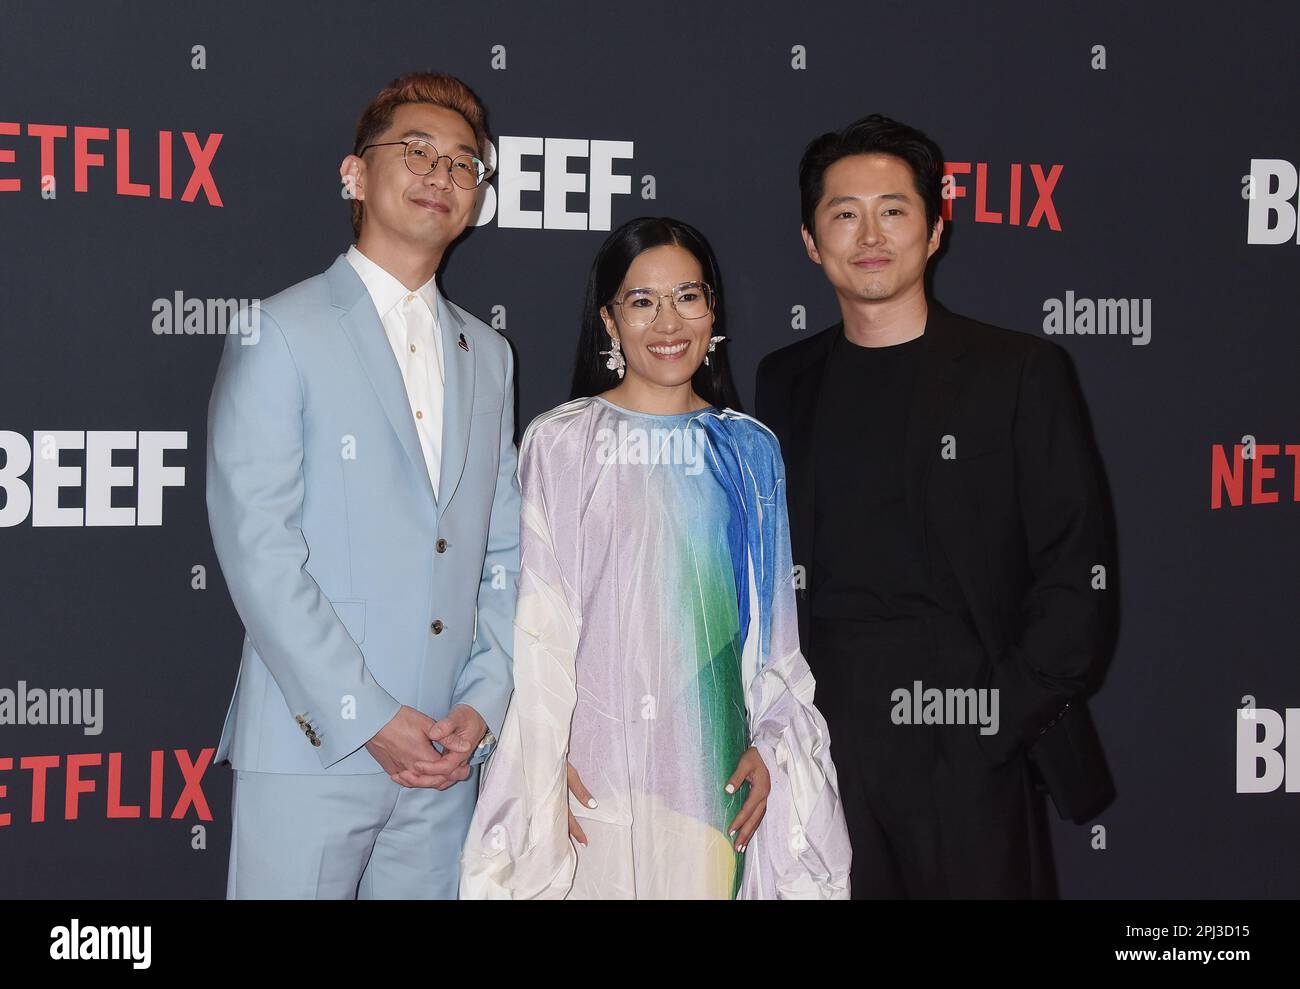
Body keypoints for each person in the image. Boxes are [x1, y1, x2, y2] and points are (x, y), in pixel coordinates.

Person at [755, 114, 1116, 898]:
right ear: (813, 242)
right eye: (844, 214)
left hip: (968, 734)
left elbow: (1074, 568)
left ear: (936, 228)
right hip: (826, 735)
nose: (870, 233)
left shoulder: (1018, 370)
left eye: (894, 209)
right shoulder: (785, 378)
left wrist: (996, 722)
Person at [459, 217, 851, 899]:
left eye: (687, 297)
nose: (667, 321)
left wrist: (775, 745)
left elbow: (773, 638)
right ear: (609, 320)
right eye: (641, 301)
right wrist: (543, 762)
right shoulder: (560, 444)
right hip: (591, 779)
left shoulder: (749, 451)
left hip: (712, 779)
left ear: (712, 310)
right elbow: (537, 627)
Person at [207, 72, 520, 899]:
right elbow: (260, 551)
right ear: (354, 175)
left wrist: (483, 704)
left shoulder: (489, 356)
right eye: (416, 151)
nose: (441, 175)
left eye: (463, 164)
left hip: (447, 758)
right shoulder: (279, 328)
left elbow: (502, 547)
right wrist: (371, 718)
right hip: (317, 746)